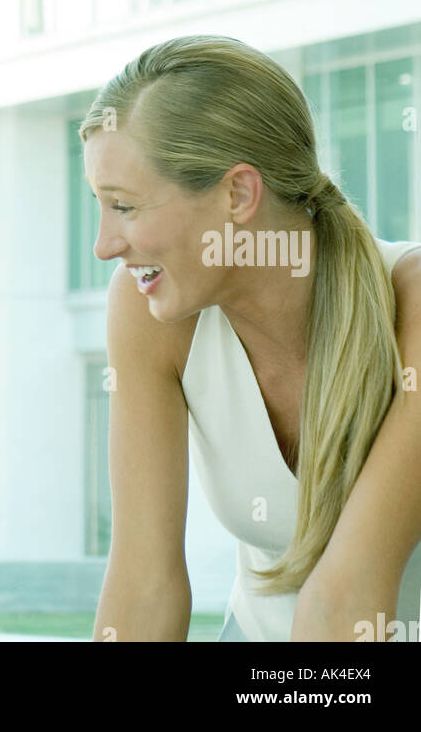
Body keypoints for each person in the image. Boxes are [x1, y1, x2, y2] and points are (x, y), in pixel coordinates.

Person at [84, 34, 421, 643]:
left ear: (238, 194)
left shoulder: (413, 305)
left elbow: (346, 602)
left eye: (125, 207)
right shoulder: (148, 311)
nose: (105, 244)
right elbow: (143, 586)